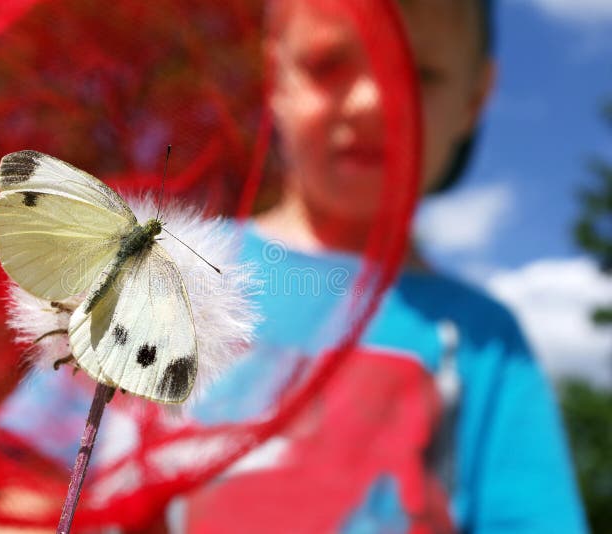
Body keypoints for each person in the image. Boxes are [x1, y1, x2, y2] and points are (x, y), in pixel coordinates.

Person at [167, 0, 589, 532]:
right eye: (327, 64)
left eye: (420, 74)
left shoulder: (487, 342)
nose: (371, 99)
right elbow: (42, 480)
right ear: (276, 76)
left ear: (475, 99)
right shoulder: (173, 271)